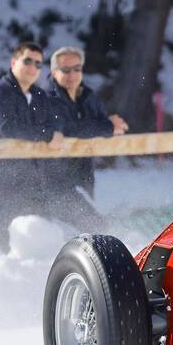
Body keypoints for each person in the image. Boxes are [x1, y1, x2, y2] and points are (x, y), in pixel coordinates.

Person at [0, 41, 65, 245]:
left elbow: (55, 121)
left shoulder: (39, 95)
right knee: (5, 241)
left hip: (34, 178)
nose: (33, 67)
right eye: (27, 61)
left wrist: (55, 132)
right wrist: (47, 135)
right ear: (13, 62)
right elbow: (8, 128)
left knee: (37, 239)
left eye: (38, 63)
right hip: (0, 181)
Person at [45, 45, 128, 228]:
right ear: (53, 72)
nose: (72, 74)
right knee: (95, 228)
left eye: (77, 69)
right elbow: (68, 128)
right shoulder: (46, 100)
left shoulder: (88, 97)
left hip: (78, 178)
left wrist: (111, 124)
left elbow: (98, 126)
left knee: (98, 227)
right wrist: (107, 126)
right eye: (65, 70)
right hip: (51, 183)